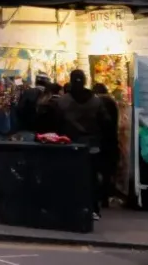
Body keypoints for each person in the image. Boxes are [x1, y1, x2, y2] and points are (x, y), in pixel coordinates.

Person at [58, 70, 111, 220]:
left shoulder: (63, 101)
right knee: (92, 178)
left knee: (71, 177)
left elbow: (57, 122)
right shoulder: (95, 100)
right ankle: (93, 208)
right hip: (92, 144)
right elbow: (106, 122)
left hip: (69, 144)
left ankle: (72, 207)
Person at [93, 83, 120, 208]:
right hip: (111, 140)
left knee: (97, 168)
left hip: (99, 140)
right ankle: (106, 196)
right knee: (107, 170)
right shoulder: (112, 103)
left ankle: (98, 195)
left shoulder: (97, 103)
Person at [15, 73, 50, 141]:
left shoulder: (28, 92)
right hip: (44, 132)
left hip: (27, 129)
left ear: (36, 81)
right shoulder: (49, 94)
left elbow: (20, 109)